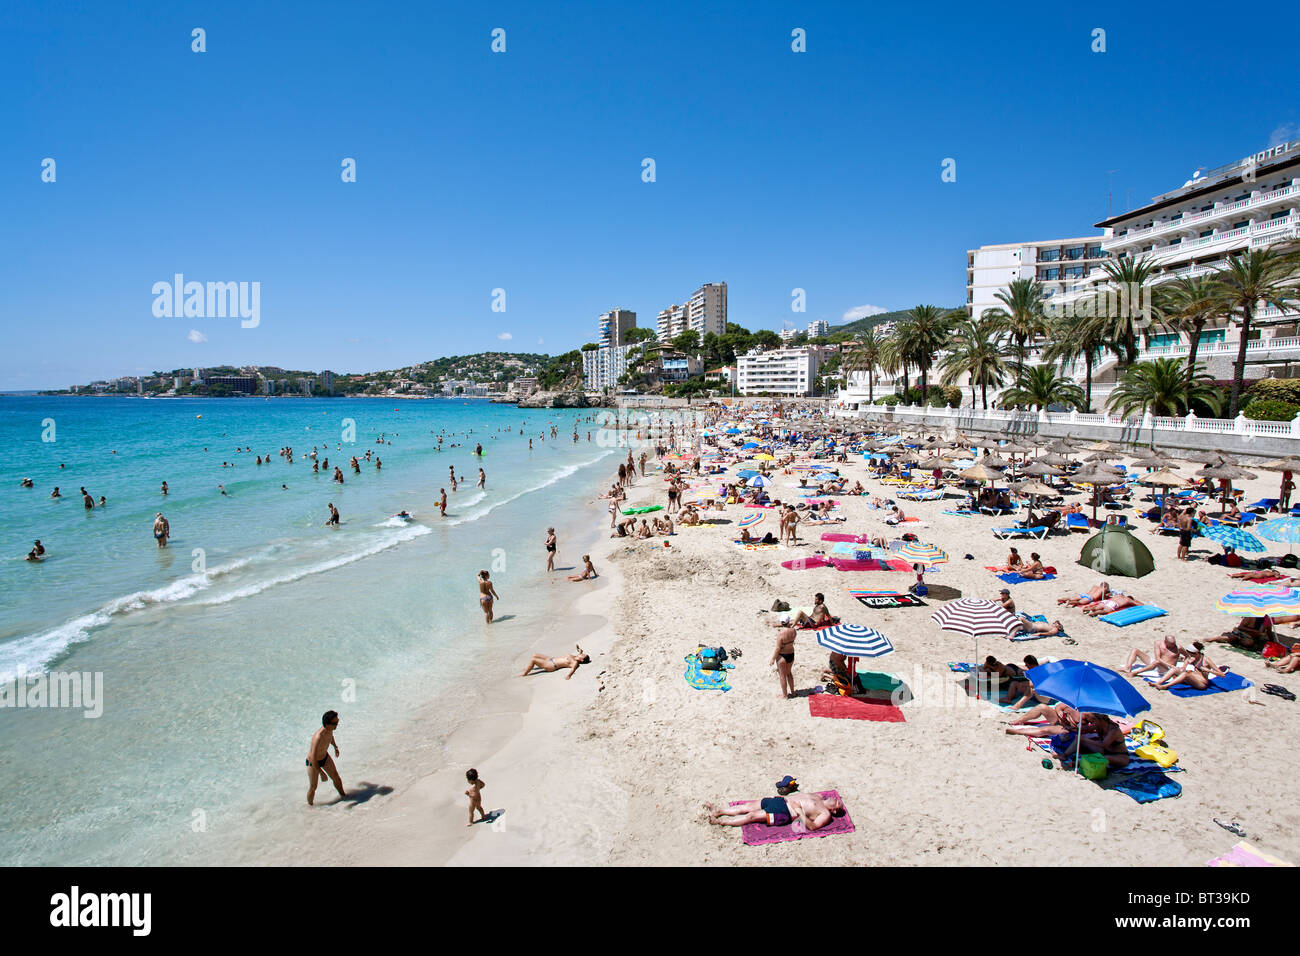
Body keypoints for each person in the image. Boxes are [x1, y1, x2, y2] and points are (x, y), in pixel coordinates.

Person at [705, 791, 845, 832]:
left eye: (838, 803)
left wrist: (798, 811)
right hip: (779, 801)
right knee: (747, 806)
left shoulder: (825, 814)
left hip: (784, 812)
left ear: (833, 811)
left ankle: (721, 821)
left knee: (751, 816)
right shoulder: (819, 796)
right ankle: (720, 810)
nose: (837, 799)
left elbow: (812, 827)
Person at [306, 710, 346, 806]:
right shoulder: (318, 737)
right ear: (327, 724)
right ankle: (310, 807)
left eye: (337, 722)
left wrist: (335, 747)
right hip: (313, 762)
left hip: (325, 757)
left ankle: (344, 796)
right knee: (313, 787)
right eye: (335, 723)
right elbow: (313, 757)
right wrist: (321, 772)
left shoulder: (330, 730)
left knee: (336, 778)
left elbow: (330, 737)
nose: (337, 725)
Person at [520, 646, 590, 679]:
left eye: (583, 655)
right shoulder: (576, 656)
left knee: (533, 660)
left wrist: (568, 676)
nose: (582, 654)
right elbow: (580, 652)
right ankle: (530, 668)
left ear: (582, 660)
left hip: (551, 665)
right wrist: (580, 650)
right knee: (534, 655)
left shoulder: (575, 662)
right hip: (550, 659)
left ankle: (524, 674)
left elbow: (573, 669)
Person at [771, 626, 797, 699]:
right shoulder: (793, 631)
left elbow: (778, 648)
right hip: (791, 653)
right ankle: (793, 692)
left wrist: (773, 659)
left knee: (782, 676)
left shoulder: (781, 634)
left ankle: (785, 695)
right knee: (789, 673)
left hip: (782, 655)